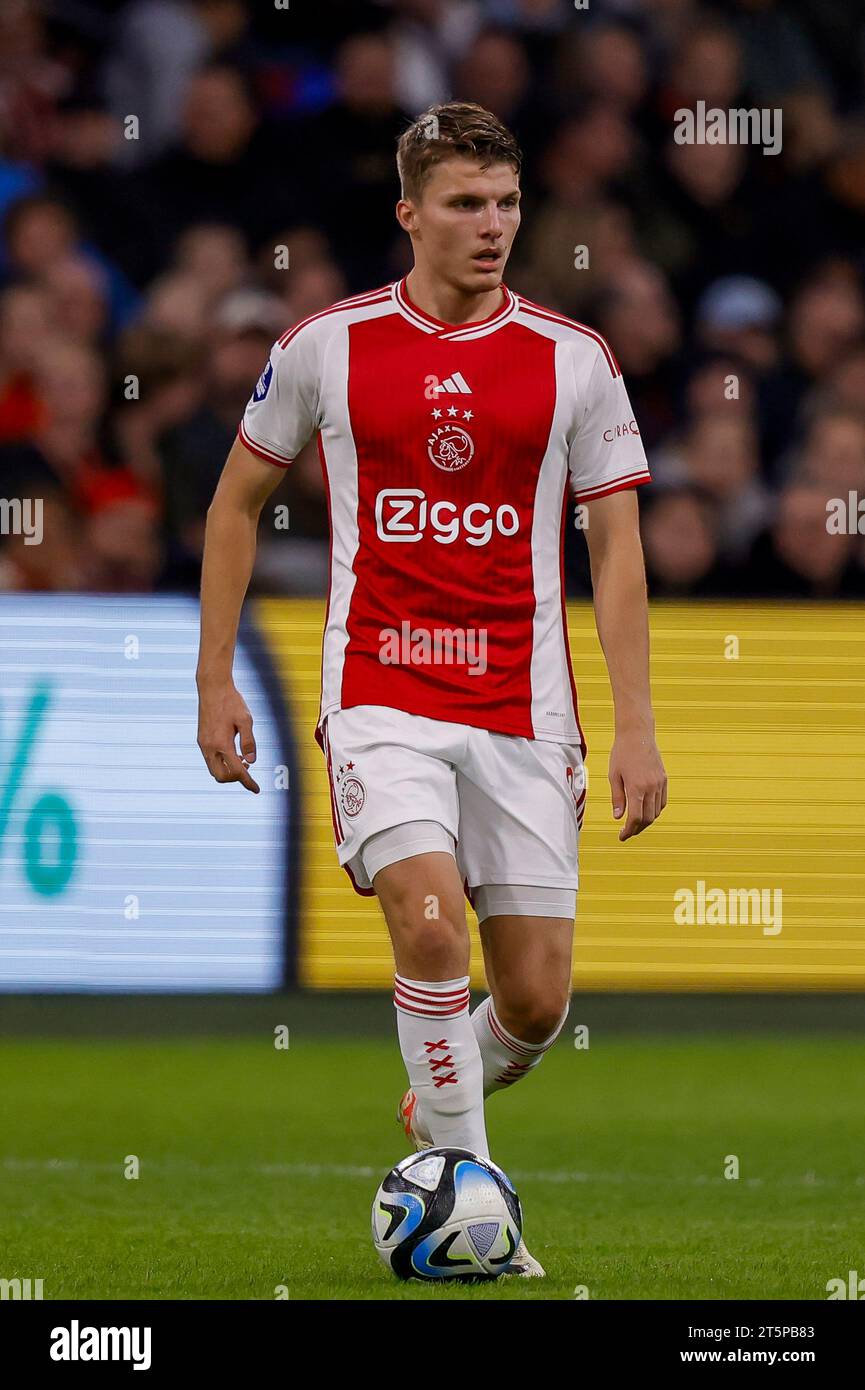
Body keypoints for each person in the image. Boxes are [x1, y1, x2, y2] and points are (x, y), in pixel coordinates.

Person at [196, 101, 667, 1277]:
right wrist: (213, 676)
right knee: (424, 916)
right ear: (409, 213)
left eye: (506, 203)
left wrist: (637, 724)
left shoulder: (575, 361)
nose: (492, 224)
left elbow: (614, 548)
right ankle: (476, 1208)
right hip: (381, 694)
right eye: (465, 203)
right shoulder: (327, 345)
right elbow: (233, 505)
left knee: (539, 1000)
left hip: (525, 708)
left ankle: (436, 1093)